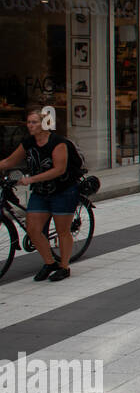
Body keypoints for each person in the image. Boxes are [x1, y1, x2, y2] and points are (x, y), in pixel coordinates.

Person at [0, 107, 83, 282]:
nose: (30, 125)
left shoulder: (58, 142)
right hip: (41, 192)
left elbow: (59, 170)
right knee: (33, 229)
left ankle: (64, 267)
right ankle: (49, 262)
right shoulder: (28, 142)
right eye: (29, 122)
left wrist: (31, 179)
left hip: (63, 191)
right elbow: (9, 161)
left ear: (45, 123)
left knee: (62, 231)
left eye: (34, 122)